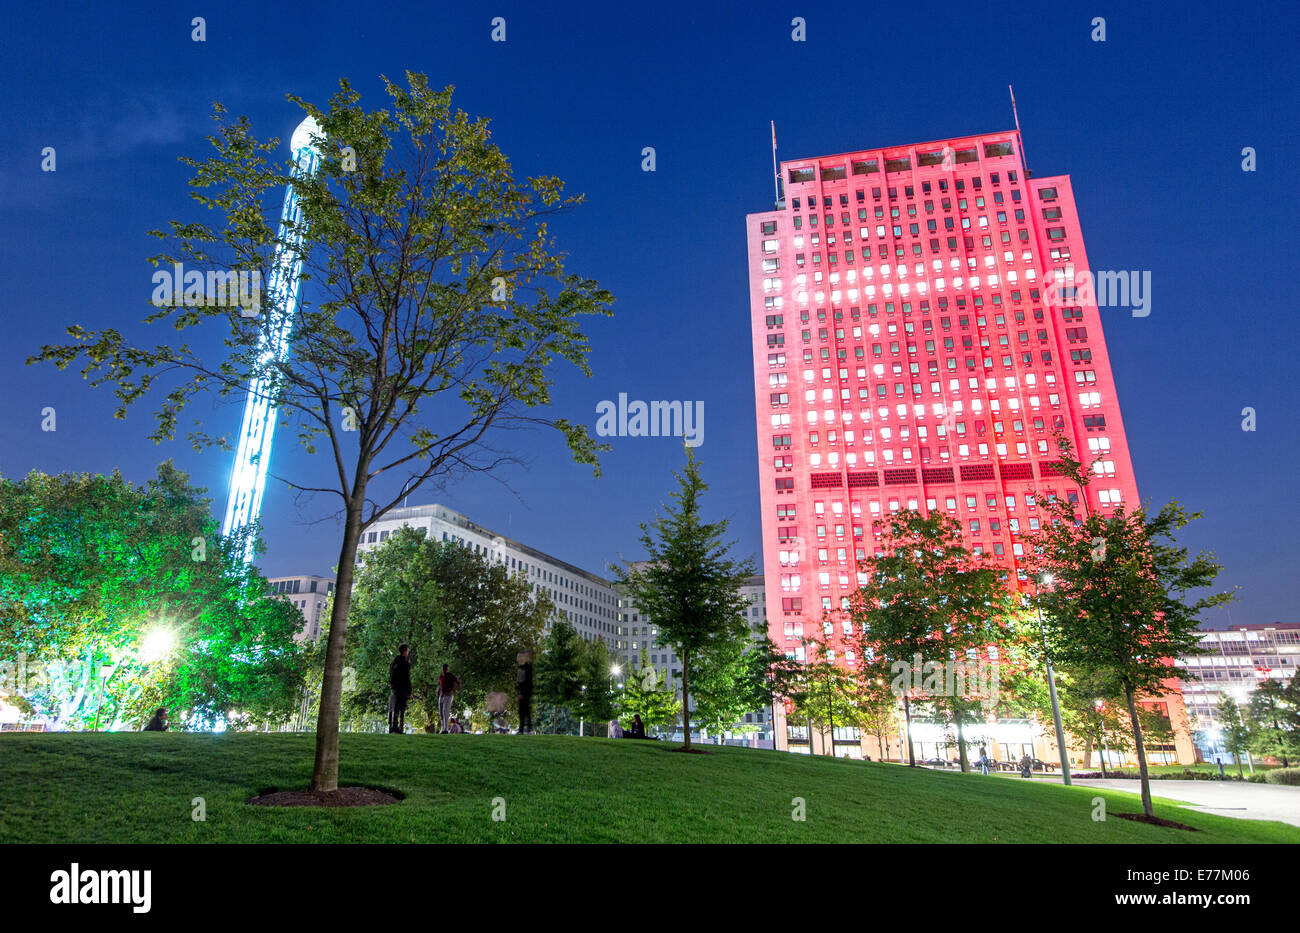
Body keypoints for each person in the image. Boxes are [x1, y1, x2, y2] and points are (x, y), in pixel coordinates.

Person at [388, 644, 412, 734]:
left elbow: (391, 674)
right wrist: (409, 690)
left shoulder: (394, 662)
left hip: (395, 687)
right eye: (408, 651)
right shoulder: (405, 663)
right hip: (402, 688)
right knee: (401, 707)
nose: (408, 653)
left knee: (395, 707)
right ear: (405, 651)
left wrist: (392, 684)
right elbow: (406, 678)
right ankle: (399, 727)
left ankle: (394, 726)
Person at [437, 664, 461, 733]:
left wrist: (457, 688)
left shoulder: (450, 675)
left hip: (448, 695)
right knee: (441, 712)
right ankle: (442, 728)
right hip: (441, 695)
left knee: (445, 711)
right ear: (442, 669)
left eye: (446, 668)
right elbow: (440, 685)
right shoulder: (440, 677)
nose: (444, 669)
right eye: (443, 668)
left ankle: (445, 729)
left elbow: (458, 681)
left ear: (447, 669)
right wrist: (438, 692)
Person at [515, 651, 534, 734]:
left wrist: (522, 693)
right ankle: (525, 729)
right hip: (523, 692)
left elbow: (527, 682)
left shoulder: (527, 668)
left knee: (524, 711)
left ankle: (524, 729)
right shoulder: (520, 668)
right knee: (524, 711)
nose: (518, 659)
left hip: (525, 692)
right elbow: (519, 682)